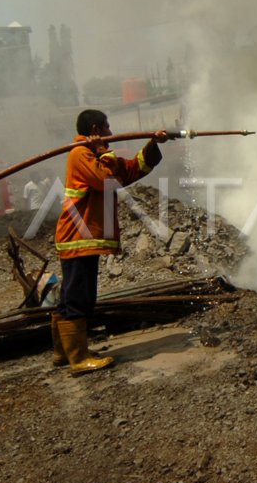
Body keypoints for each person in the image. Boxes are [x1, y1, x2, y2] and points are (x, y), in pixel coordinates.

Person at [52, 110, 173, 375]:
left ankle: (64, 352)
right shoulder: (81, 153)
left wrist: (152, 145)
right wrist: (102, 150)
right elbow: (105, 181)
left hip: (84, 239)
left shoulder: (94, 155)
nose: (111, 131)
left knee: (74, 295)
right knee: (78, 297)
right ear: (96, 128)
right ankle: (78, 358)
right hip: (77, 238)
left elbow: (127, 172)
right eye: (107, 127)